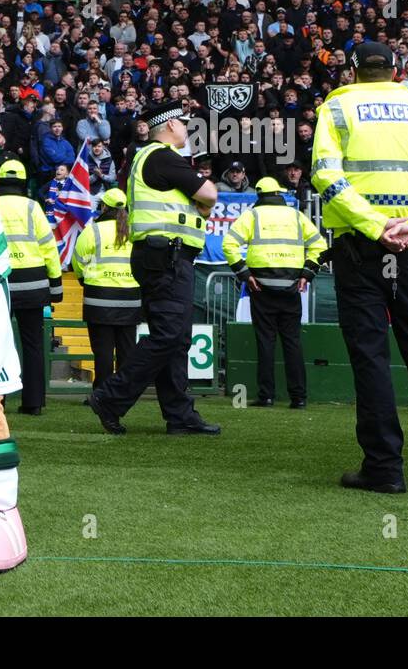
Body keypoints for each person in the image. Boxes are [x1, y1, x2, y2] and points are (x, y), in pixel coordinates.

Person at [310, 41, 408, 494]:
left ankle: (384, 469)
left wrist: (375, 225)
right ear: (398, 70)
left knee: (371, 360)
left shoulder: (336, 109)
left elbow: (326, 175)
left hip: (360, 251)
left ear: (353, 71)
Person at [86, 100, 220, 436]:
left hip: (164, 257)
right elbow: (211, 195)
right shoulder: (162, 157)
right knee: (169, 335)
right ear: (171, 125)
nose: (187, 129)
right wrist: (200, 201)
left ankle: (179, 414)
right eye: (184, 123)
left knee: (176, 338)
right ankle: (111, 397)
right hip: (166, 258)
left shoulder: (151, 158)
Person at [222, 176, 326, 408]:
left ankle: (266, 396)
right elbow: (320, 245)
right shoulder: (296, 216)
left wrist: (244, 274)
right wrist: (306, 274)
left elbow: (228, 244)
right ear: (279, 193)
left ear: (259, 194)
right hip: (292, 289)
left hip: (260, 288)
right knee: (293, 343)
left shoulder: (252, 215)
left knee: (265, 342)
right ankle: (298, 398)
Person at [0, 160, 62, 416]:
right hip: (33, 283)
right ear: (23, 182)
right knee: (33, 344)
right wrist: (55, 286)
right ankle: (33, 402)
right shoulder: (33, 208)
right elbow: (49, 249)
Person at [72, 188, 141, 388]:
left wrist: (84, 279)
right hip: (130, 298)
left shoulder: (93, 230)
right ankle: (122, 394)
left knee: (102, 351)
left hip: (99, 297)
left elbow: (78, 261)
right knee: (126, 351)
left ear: (104, 207)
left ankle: (101, 393)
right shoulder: (135, 230)